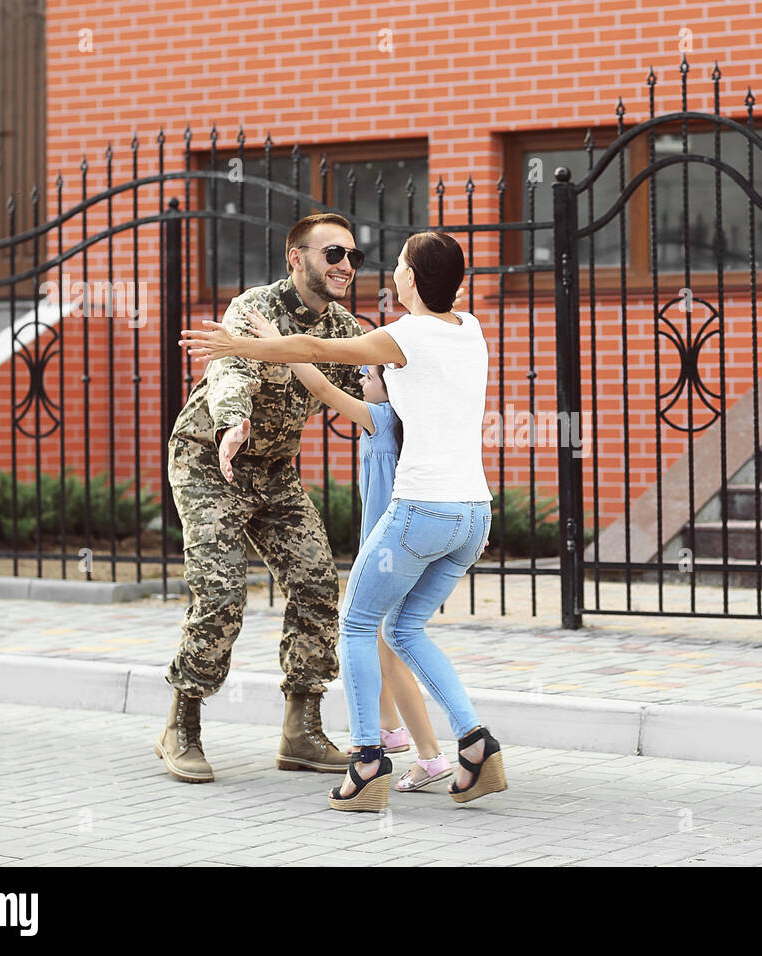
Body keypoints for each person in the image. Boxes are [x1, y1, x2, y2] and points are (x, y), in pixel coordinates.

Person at [182, 231, 505, 813]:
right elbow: (327, 368)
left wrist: (241, 343)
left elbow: (321, 354)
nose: (387, 270)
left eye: (400, 264)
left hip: (422, 511)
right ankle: (476, 745)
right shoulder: (472, 328)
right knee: (405, 631)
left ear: (412, 279)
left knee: (357, 625)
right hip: (473, 516)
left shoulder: (403, 337)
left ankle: (367, 763)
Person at [156, 212, 366, 784]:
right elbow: (232, 370)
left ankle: (301, 730)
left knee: (318, 584)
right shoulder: (254, 308)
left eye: (353, 256)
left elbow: (367, 389)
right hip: (209, 461)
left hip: (274, 472)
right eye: (333, 255)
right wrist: (233, 422)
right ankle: (183, 723)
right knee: (223, 591)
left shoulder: (343, 329)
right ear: (297, 259)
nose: (346, 265)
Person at [240, 311, 453, 794]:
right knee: (384, 637)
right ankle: (390, 728)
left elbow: (321, 388)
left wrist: (279, 342)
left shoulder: (382, 418)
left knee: (386, 642)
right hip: (398, 542)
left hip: (390, 545)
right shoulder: (408, 422)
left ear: (391, 386)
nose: (361, 376)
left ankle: (430, 755)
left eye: (370, 373)